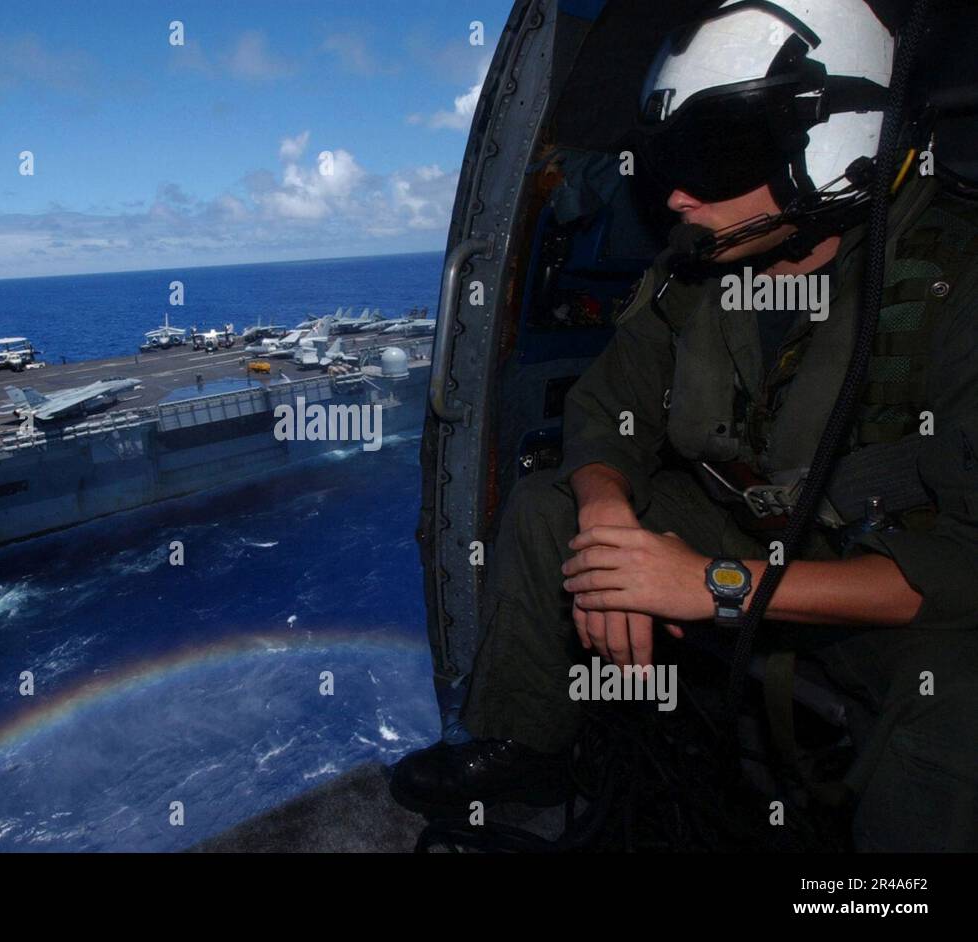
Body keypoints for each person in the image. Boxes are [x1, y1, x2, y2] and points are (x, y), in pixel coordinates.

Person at [391, 0, 978, 851]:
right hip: (751, 527)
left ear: (834, 145)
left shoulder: (956, 286)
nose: (673, 194)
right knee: (551, 506)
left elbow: (966, 567)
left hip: (890, 585)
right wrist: (608, 528)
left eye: (713, 156)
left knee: (956, 701)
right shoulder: (698, 272)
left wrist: (709, 584)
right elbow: (603, 407)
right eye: (671, 158)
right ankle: (527, 747)